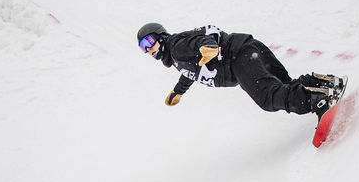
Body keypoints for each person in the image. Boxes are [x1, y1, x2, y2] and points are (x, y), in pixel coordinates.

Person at [137, 22, 346, 121]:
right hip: (246, 49)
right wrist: (178, 92)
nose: (148, 49)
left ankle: (319, 101)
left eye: (149, 41)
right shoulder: (177, 57)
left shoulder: (175, 46)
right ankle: (324, 84)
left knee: (268, 97)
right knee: (283, 85)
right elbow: (191, 71)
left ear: (161, 36)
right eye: (143, 47)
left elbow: (200, 40)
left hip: (238, 57)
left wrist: (208, 46)